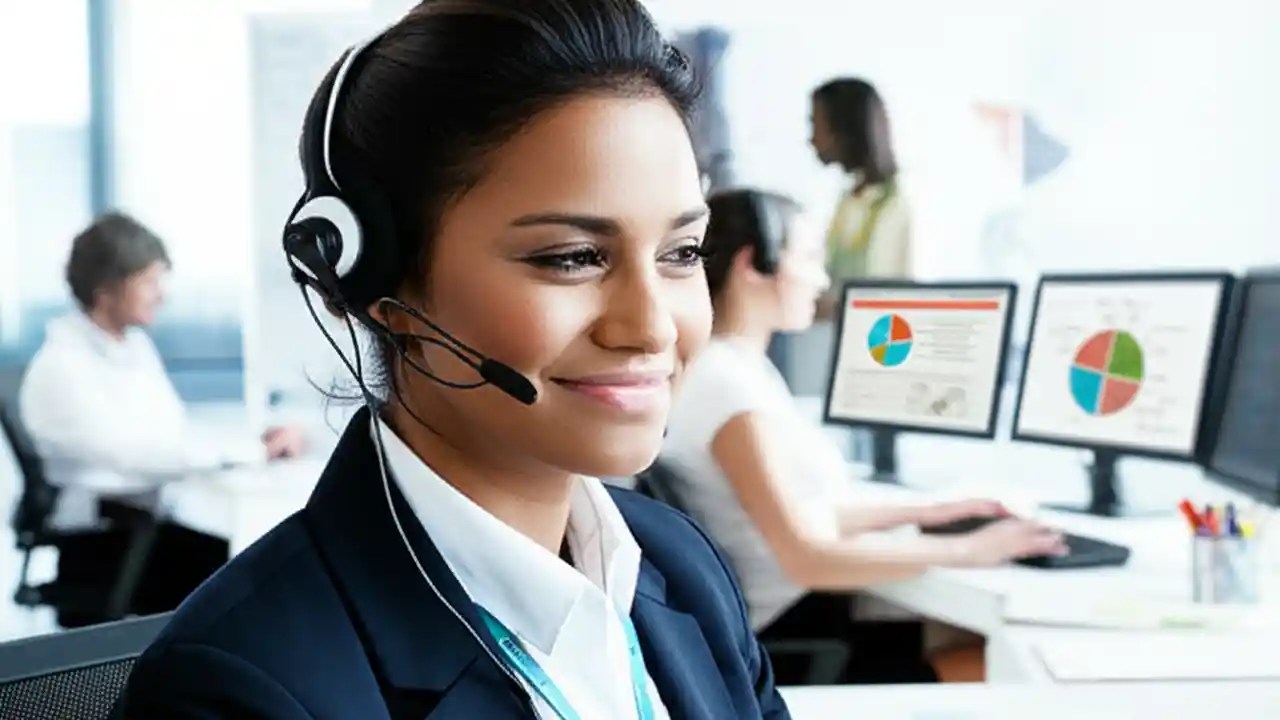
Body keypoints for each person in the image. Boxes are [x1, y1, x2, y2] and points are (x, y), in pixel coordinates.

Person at [113, 2, 788, 718]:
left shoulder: (681, 567)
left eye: (681, 253)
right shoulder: (243, 686)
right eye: (571, 258)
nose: (650, 327)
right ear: (377, 283)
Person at [660, 188, 1067, 684]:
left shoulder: (734, 370)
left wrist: (924, 513)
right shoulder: (729, 389)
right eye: (810, 258)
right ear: (753, 265)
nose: (822, 278)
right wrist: (972, 550)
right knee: (1006, 663)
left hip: (805, 619)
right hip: (789, 640)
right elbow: (807, 557)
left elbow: (797, 513)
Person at [17, 212, 306, 627]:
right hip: (107, 548)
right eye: (149, 282)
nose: (161, 295)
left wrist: (250, 442)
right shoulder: (62, 368)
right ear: (107, 289)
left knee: (263, 563)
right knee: (251, 580)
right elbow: (141, 455)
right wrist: (248, 452)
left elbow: (172, 436)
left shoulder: (132, 348)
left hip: (141, 532)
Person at [810, 78, 913, 320]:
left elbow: (890, 294)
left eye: (815, 124)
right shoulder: (849, 199)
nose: (811, 139)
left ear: (843, 128)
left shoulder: (897, 202)